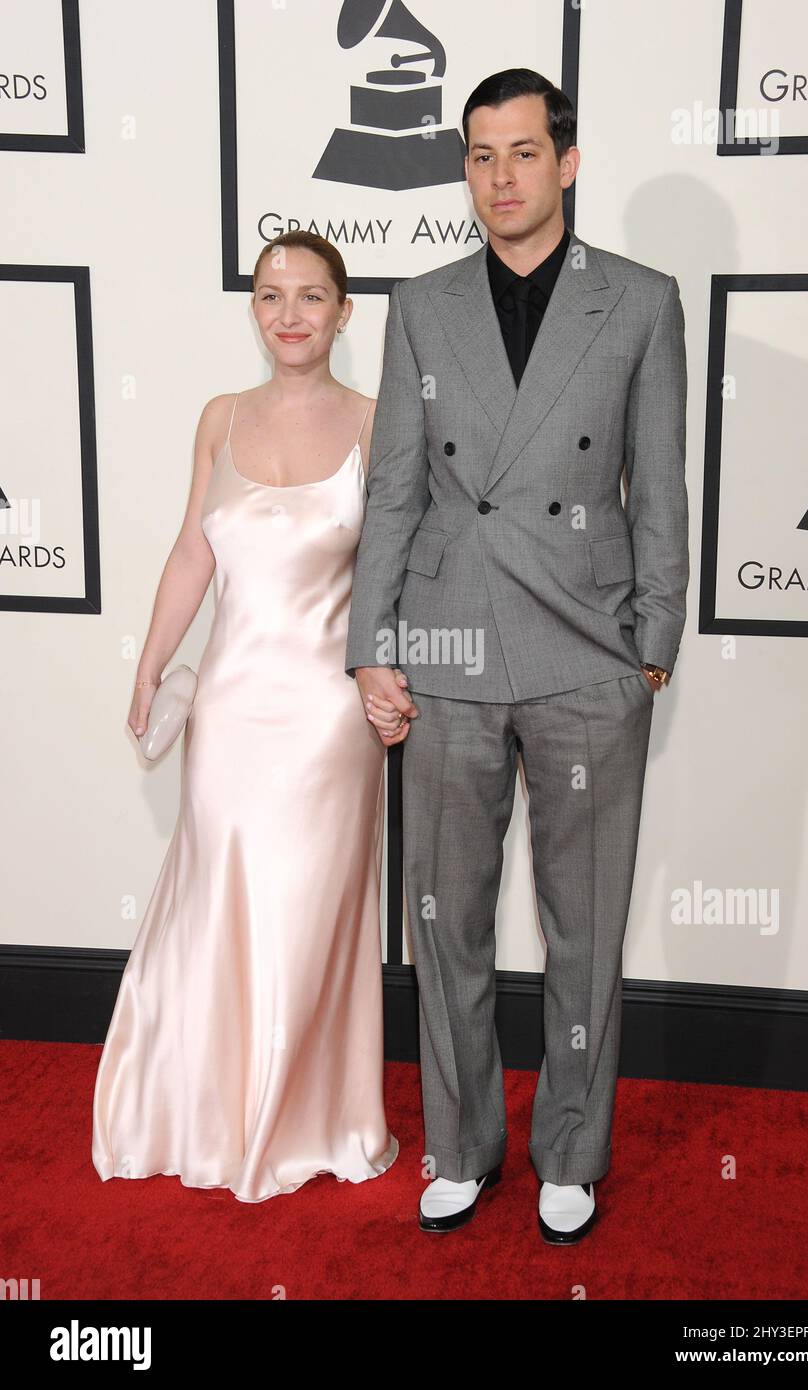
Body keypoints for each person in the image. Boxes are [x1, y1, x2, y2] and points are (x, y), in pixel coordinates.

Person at [345, 69, 688, 1242]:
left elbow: (658, 486)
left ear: (568, 162)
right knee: (445, 918)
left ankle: (570, 1150)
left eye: (524, 152)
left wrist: (650, 643)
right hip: (442, 645)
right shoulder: (423, 301)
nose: (501, 177)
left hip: (588, 648)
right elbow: (391, 485)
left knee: (583, 923)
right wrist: (370, 643)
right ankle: (460, 1141)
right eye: (481, 156)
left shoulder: (639, 301)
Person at [92, 230, 401, 1201]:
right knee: (220, 897)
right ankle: (211, 1109)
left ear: (344, 313)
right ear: (254, 309)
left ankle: (309, 1116)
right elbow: (195, 552)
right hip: (227, 709)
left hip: (326, 717)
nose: (291, 313)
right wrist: (150, 663)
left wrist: (394, 672)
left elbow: (399, 570)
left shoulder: (375, 421)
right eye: (272, 295)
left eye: (312, 296)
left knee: (309, 911)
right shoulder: (219, 417)